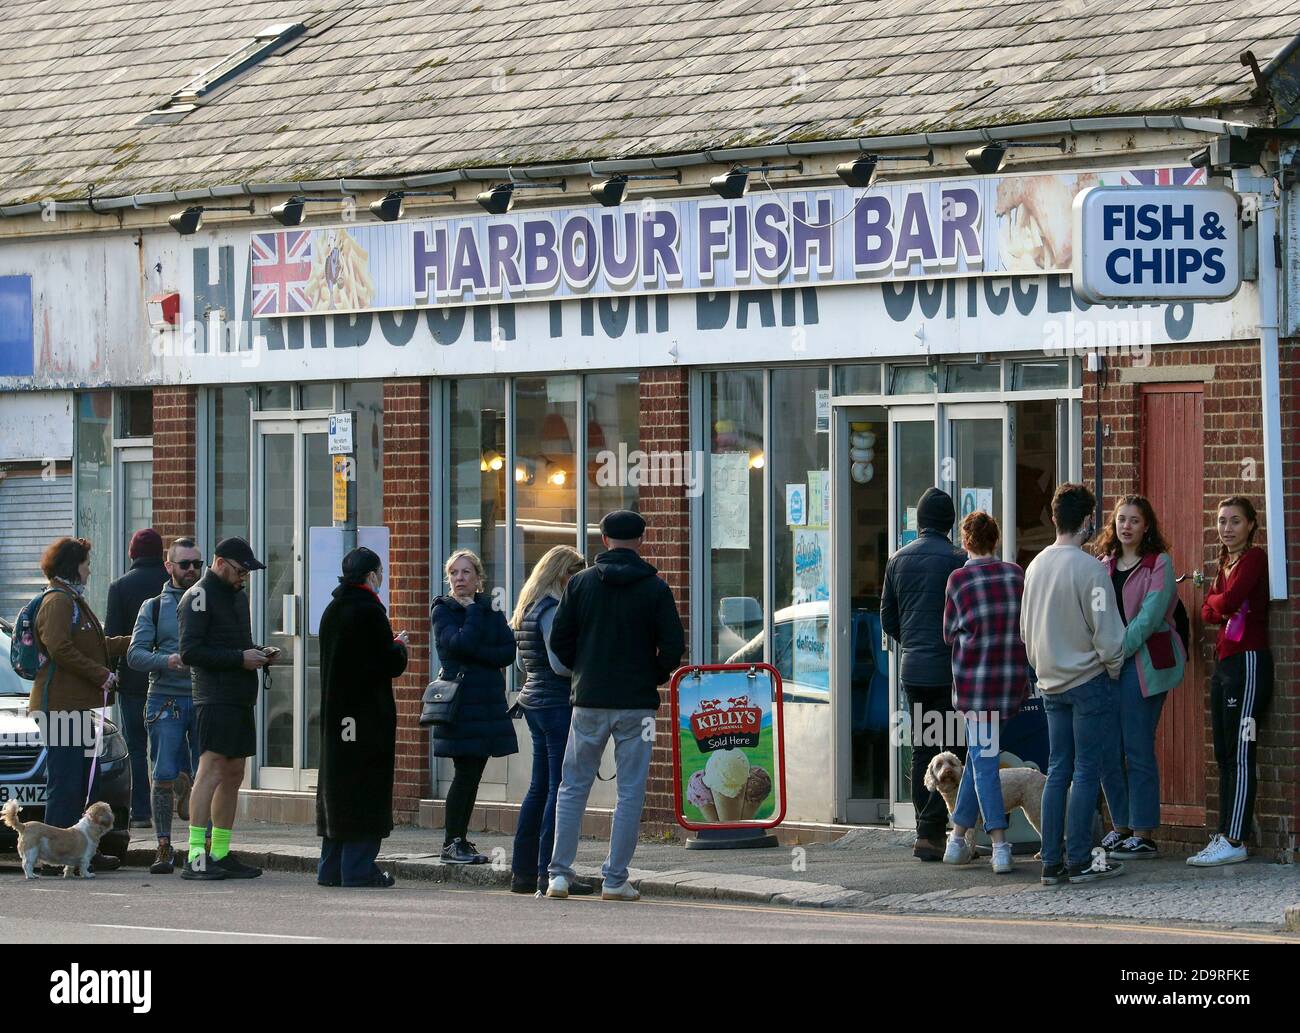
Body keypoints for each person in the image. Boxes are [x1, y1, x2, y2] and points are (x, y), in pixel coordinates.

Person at [546, 510, 685, 902]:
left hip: (588, 700)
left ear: (603, 539)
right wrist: (651, 675)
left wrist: (584, 670)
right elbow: (673, 646)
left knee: (572, 786)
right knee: (630, 791)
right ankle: (614, 879)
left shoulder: (580, 584)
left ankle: (559, 875)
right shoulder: (655, 588)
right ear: (641, 539)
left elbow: (559, 641)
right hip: (636, 706)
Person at [1021, 483, 1126, 885]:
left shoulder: (1035, 567)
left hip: (1050, 682)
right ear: (1087, 521)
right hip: (1088, 680)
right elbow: (1108, 632)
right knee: (1086, 770)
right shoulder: (1091, 571)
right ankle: (1079, 859)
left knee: (1057, 769)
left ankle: (1051, 861)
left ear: (1053, 517)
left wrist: (1042, 667)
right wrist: (1112, 667)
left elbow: (1026, 630)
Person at [28, 536, 129, 872]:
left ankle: (83, 851)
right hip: (58, 706)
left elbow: (93, 645)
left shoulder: (73, 600)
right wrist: (100, 673)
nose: (89, 569)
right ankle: (53, 857)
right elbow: (59, 647)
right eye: (86, 562)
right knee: (67, 782)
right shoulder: (58, 601)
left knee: (87, 779)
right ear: (73, 566)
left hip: (75, 707)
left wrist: (135, 641)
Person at [1094, 496, 1185, 862]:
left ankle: (1144, 832)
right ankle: (1121, 827)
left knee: (1137, 745)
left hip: (1141, 663)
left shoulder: (1158, 564)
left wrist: (1117, 651)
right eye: (1121, 520)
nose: (1126, 526)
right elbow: (1093, 614)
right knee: (1107, 749)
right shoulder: (1102, 567)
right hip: (1107, 665)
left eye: (1134, 520)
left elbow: (1149, 618)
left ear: (1147, 526)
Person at [177, 536, 274, 881]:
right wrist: (239, 658)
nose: (243, 576)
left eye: (247, 571)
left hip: (238, 696)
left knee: (234, 774)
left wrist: (257, 653)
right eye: (239, 569)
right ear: (219, 563)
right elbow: (190, 652)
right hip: (214, 698)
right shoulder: (199, 596)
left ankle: (219, 851)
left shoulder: (237, 595)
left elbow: (234, 644)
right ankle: (196, 855)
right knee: (211, 771)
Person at [941, 511, 1031, 873]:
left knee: (985, 762)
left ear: (965, 542)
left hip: (974, 687)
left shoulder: (958, 580)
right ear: (995, 539)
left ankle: (999, 844)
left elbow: (948, 632)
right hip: (1010, 683)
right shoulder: (1015, 574)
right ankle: (957, 838)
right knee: (981, 756)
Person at [881, 487, 966, 861]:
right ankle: (936, 829)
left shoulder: (898, 560)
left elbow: (888, 618)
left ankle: (924, 828)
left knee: (923, 750)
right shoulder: (959, 559)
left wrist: (913, 643)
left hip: (913, 670)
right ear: (950, 523)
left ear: (919, 522)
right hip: (949, 671)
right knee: (953, 749)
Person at [316, 547, 410, 888]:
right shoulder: (369, 612)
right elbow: (386, 663)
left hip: (337, 719)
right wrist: (399, 647)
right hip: (365, 719)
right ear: (372, 575)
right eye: (380, 573)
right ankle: (358, 868)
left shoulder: (332, 609)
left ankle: (331, 867)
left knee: (339, 789)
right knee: (364, 788)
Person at [508, 545, 593, 896]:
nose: (577, 582)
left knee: (538, 788)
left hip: (533, 702)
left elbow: (520, 663)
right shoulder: (553, 609)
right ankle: (550, 871)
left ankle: (523, 873)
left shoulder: (528, 607)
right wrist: (585, 668)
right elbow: (559, 664)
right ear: (562, 574)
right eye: (575, 574)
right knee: (560, 788)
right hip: (556, 703)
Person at [1191, 496, 1271, 867]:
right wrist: (1223, 603)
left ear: (1251, 525)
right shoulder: (1225, 563)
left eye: (1235, 521)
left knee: (1240, 753)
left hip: (1248, 662)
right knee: (1223, 754)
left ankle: (1236, 838)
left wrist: (1222, 602)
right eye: (1222, 521)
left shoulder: (1254, 559)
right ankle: (1223, 832)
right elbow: (1208, 610)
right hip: (1223, 663)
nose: (1227, 528)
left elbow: (1229, 599)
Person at [430, 549, 518, 865]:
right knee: (464, 773)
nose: (459, 579)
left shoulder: (489, 609)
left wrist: (476, 647)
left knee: (474, 774)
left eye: (466, 572)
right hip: (461, 705)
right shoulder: (444, 610)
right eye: (454, 573)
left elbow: (507, 651)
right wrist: (474, 619)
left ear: (478, 578)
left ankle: (460, 840)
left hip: (487, 704)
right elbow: (458, 646)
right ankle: (451, 842)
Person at [127, 536, 206, 875]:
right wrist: (167, 660)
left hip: (205, 697)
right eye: (185, 564)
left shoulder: (210, 601)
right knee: (161, 775)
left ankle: (202, 848)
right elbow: (134, 654)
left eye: (197, 564)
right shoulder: (154, 606)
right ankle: (163, 847)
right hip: (166, 700)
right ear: (169, 566)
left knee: (210, 775)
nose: (191, 570)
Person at [105, 527, 169, 829]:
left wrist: (109, 673)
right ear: (161, 554)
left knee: (136, 746)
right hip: (170, 678)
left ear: (132, 553)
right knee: (167, 744)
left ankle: (141, 811)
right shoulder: (171, 584)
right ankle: (169, 805)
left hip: (133, 680)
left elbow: (112, 637)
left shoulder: (120, 587)